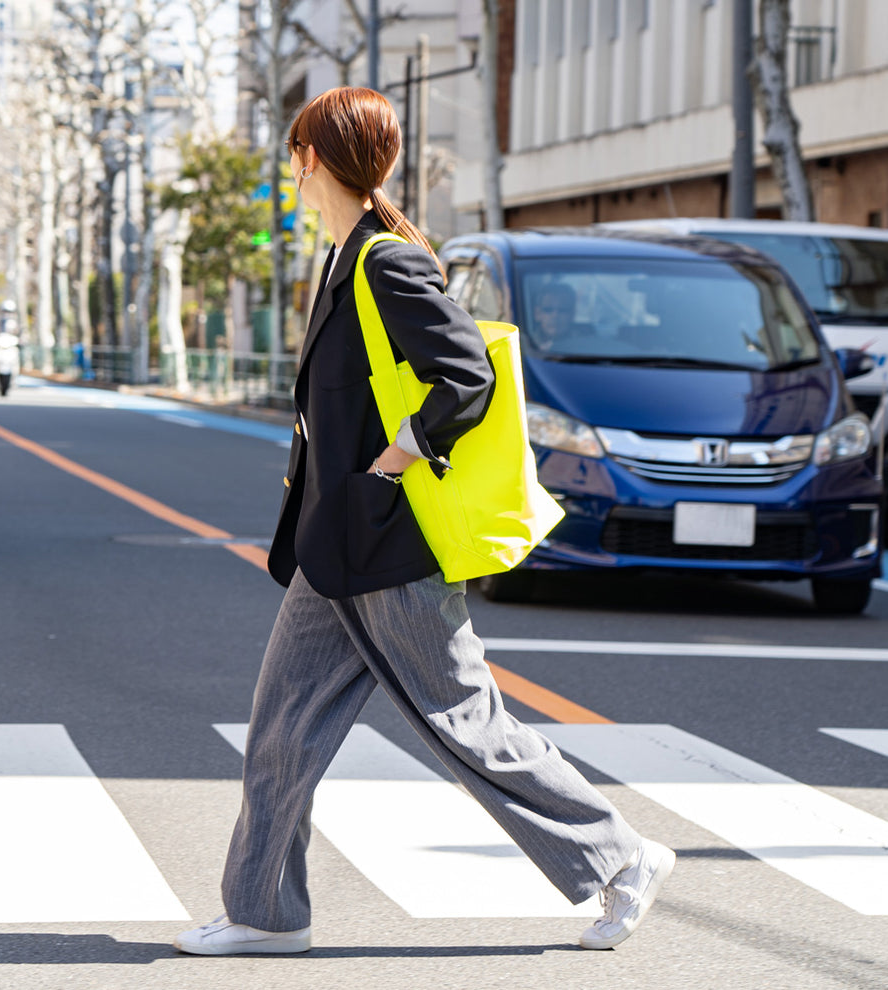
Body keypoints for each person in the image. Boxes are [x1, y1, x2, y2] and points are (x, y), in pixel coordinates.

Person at [174, 87, 674, 958]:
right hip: (335, 544)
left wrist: (390, 463)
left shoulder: (385, 261)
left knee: (464, 722)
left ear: (311, 159)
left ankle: (623, 857)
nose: (292, 167)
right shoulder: (342, 257)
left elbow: (467, 376)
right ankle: (265, 913)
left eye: (296, 151)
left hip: (390, 542)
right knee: (281, 729)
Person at [531, 281, 578, 348]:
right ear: (537, 314)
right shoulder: (524, 345)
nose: (555, 315)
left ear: (572, 314)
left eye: (562, 310)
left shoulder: (584, 344)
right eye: (548, 309)